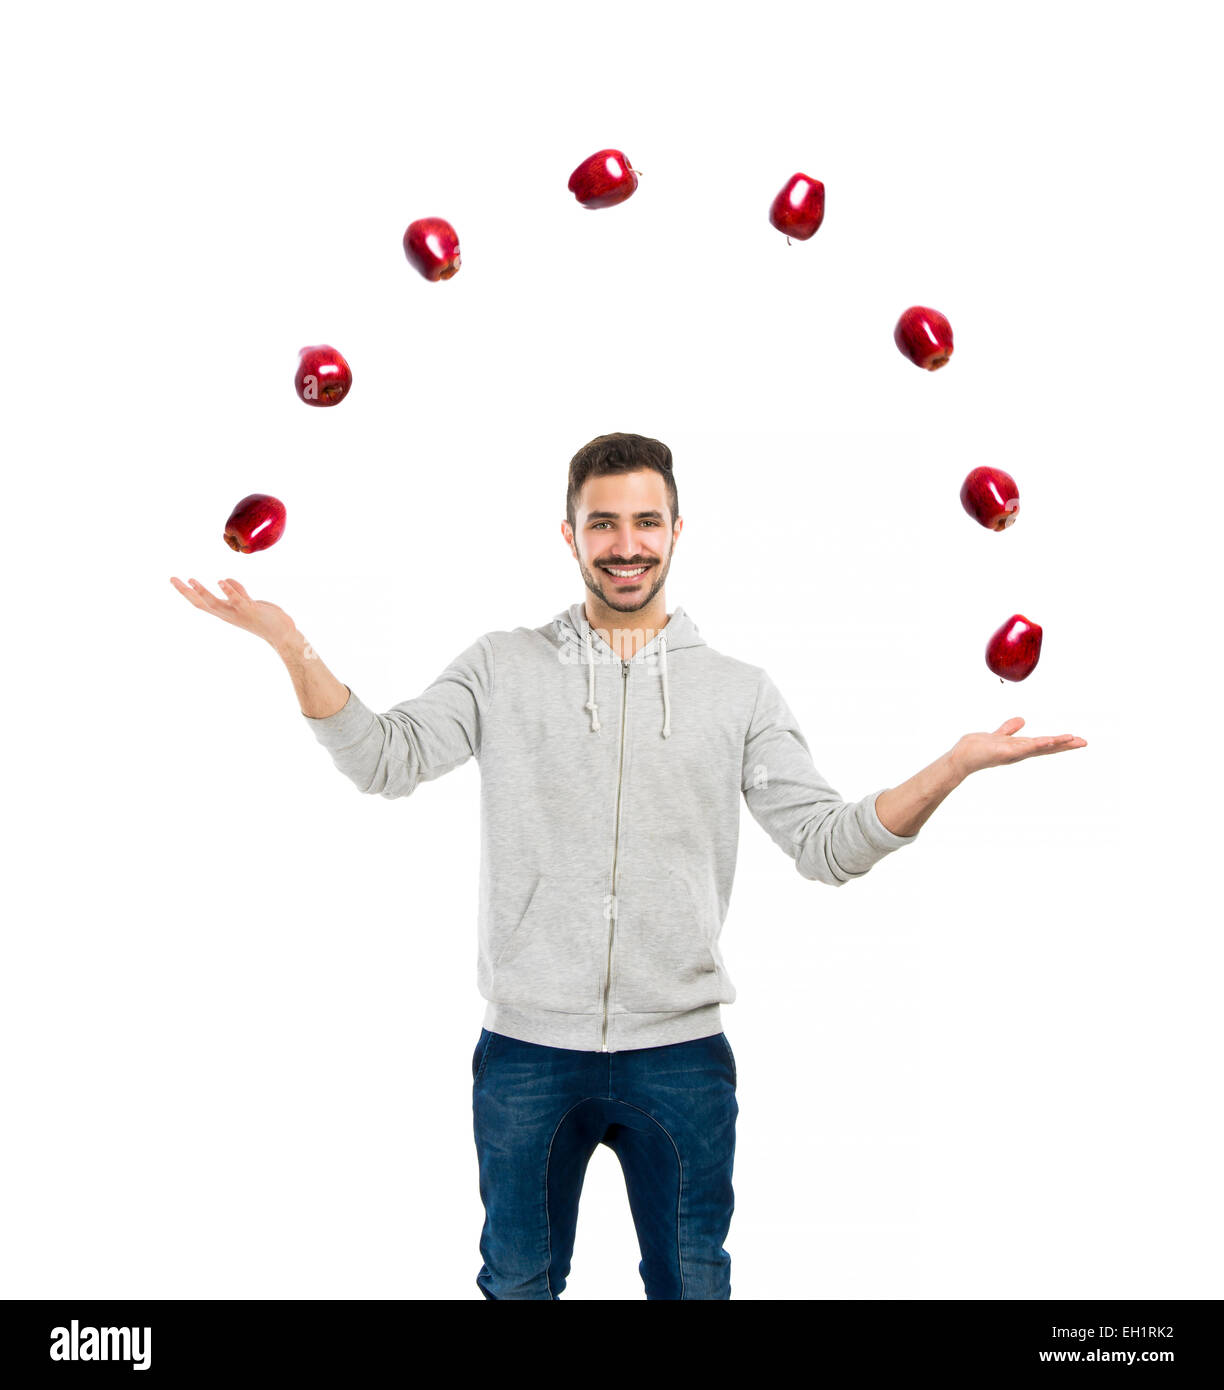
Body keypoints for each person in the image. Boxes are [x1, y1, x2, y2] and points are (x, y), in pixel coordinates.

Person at [170, 431, 1087, 1299]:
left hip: (680, 1056)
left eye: (646, 522)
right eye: (603, 523)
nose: (625, 545)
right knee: (518, 1284)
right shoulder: (501, 666)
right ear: (569, 535)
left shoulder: (737, 691)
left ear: (677, 533)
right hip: (528, 1050)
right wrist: (292, 647)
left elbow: (829, 844)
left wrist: (955, 766)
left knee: (691, 1285)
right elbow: (383, 758)